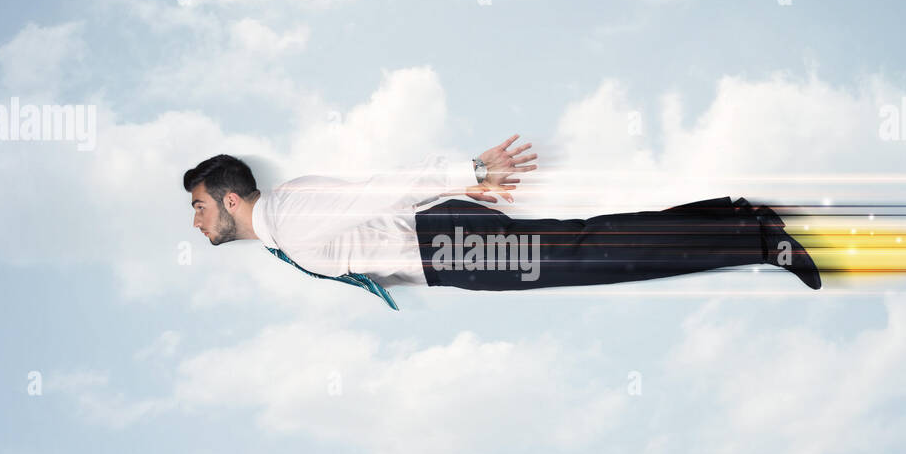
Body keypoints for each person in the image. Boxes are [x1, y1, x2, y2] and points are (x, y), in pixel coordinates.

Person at [183, 134, 820, 311]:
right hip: (446, 251)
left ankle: (755, 234)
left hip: (451, 247)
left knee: (598, 253)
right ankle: (737, 221)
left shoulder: (287, 218)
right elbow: (372, 218)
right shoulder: (285, 223)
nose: (197, 220)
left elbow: (381, 191)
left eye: (200, 205)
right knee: (594, 247)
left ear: (231, 199)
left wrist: (465, 170)